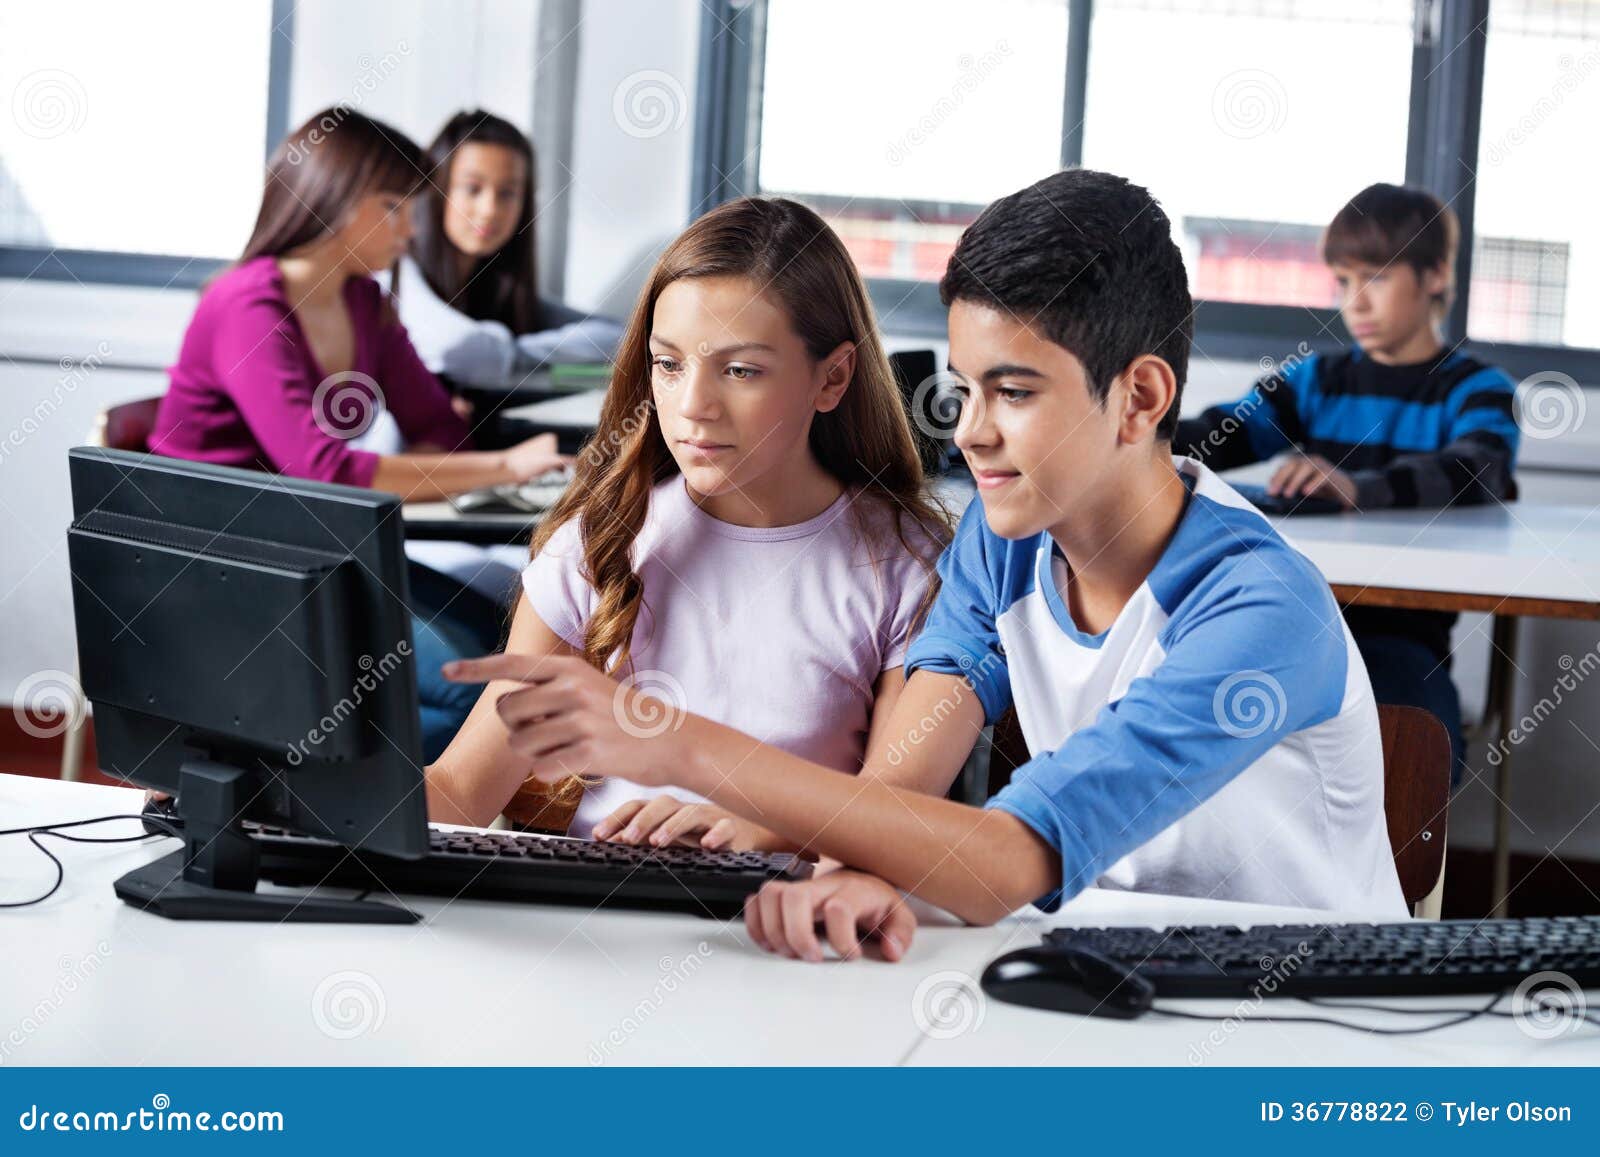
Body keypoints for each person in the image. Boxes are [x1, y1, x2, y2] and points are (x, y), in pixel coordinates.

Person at [446, 170, 1408, 962]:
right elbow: (896, 796)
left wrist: (670, 741)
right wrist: (854, 861)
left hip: (1308, 1003)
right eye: (964, 388)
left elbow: (1005, 859)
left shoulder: (1259, 609)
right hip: (1111, 972)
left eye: (1015, 391)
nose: (973, 432)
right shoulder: (1003, 543)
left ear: (1140, 395)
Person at [1175, 183, 1520, 783]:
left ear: (1436, 275)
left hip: (1399, 640)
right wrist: (1123, 429)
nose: (1354, 302)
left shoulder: (1478, 390)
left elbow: (1476, 469)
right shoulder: (1317, 381)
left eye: (1376, 278)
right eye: (1342, 280)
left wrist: (1359, 487)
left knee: (1407, 767)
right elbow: (1222, 433)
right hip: (1288, 618)